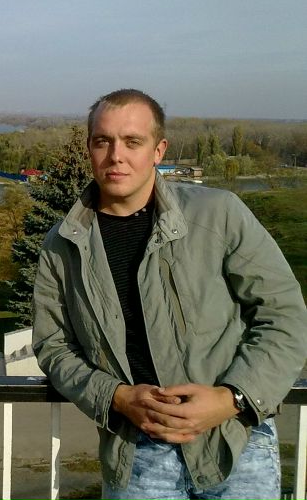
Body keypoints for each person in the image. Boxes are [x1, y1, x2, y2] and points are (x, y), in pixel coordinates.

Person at [32, 89, 307, 500]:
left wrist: (231, 398)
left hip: (235, 442)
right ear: (89, 148)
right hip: (136, 454)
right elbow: (53, 346)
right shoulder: (63, 245)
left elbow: (284, 315)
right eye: (103, 141)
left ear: (158, 150)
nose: (116, 156)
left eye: (132, 141)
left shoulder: (219, 214)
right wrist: (117, 397)